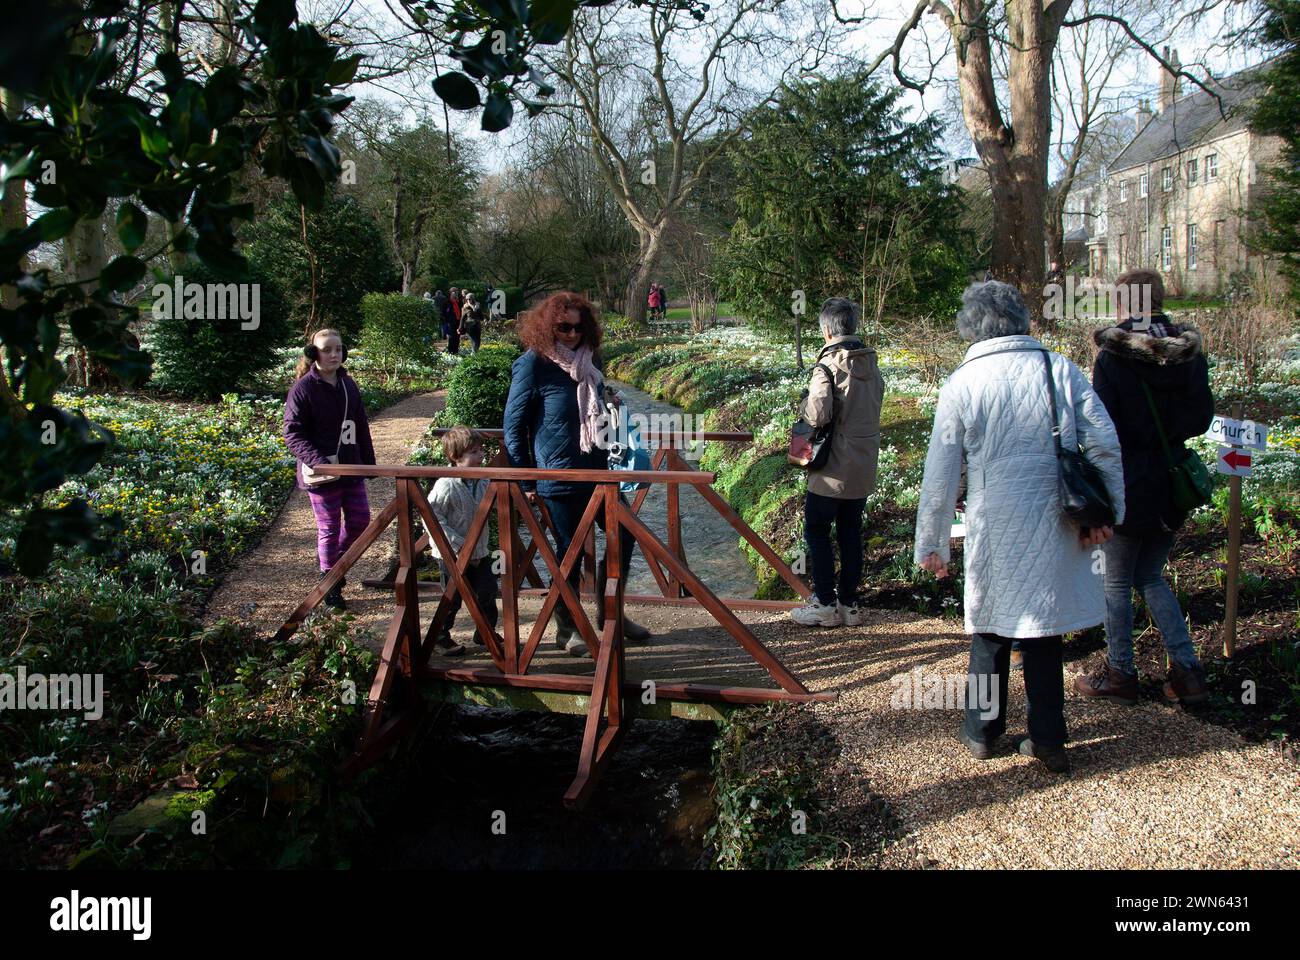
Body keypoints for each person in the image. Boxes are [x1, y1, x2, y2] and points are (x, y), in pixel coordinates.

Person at [913, 281, 1125, 773]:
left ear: (971, 325)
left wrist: (932, 541)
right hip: (1055, 516)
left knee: (989, 631)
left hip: (993, 523)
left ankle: (983, 733)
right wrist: (1105, 514)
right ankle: (1049, 741)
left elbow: (941, 470)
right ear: (1021, 319)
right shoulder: (1059, 368)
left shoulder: (962, 382)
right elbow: (1105, 444)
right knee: (1043, 633)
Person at [1074, 269, 1214, 706]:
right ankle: (1187, 673)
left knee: (1115, 582)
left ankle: (1121, 673)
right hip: (1172, 481)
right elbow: (1201, 418)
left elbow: (1100, 427)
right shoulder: (1189, 353)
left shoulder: (1115, 357)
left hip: (1129, 480)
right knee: (1151, 575)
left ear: (1126, 303)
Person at [502, 291, 651, 657]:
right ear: (547, 326)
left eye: (578, 327)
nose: (571, 333)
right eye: (562, 326)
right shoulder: (533, 364)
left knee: (626, 535)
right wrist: (527, 482)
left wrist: (609, 403)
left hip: (599, 472)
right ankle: (568, 628)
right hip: (558, 477)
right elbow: (513, 427)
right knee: (567, 553)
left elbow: (593, 407)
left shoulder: (591, 361)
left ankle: (610, 612)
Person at [789, 298, 884, 628]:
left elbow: (818, 413)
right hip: (863, 464)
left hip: (831, 467)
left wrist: (801, 404)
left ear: (827, 329)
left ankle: (825, 603)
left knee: (816, 530)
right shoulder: (872, 365)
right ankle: (849, 604)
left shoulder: (827, 365)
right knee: (850, 535)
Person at [283, 328, 376, 610]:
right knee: (329, 527)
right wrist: (317, 460)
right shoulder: (302, 389)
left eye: (338, 348)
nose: (334, 354)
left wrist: (368, 464)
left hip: (350, 467)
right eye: (327, 349)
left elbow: (360, 425)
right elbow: (292, 433)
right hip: (321, 473)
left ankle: (333, 565)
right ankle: (331, 582)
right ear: (313, 354)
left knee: (361, 522)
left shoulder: (349, 385)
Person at [424, 427, 500, 657]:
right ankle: (440, 636)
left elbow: (495, 502)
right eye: (474, 452)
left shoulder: (483, 480)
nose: (481, 455)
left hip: (479, 549)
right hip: (451, 552)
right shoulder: (446, 484)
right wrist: (455, 543)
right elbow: (431, 516)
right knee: (453, 597)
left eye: (481, 450)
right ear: (456, 458)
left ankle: (485, 632)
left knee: (487, 592)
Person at [447, 287, 462, 355]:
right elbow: (444, 312)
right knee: (451, 337)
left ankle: (456, 351)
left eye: (456, 292)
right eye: (454, 292)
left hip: (458, 321)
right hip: (451, 322)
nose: (456, 294)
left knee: (457, 336)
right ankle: (450, 351)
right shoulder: (448, 302)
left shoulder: (459, 301)